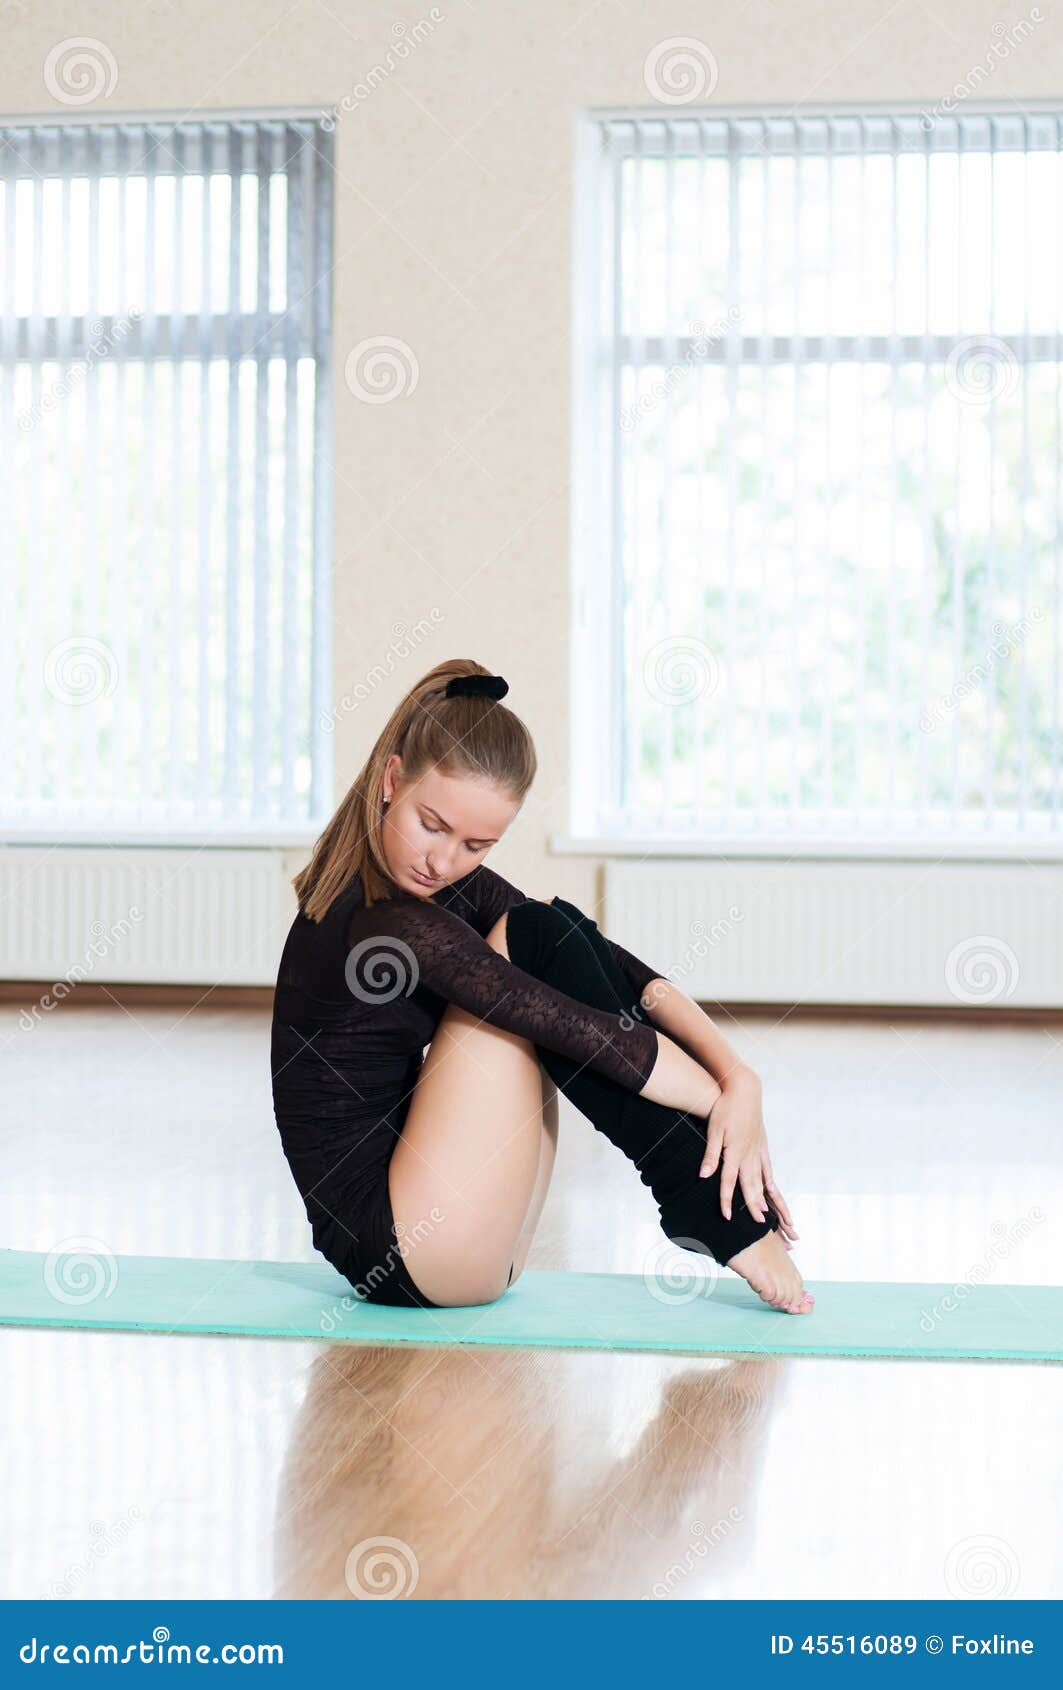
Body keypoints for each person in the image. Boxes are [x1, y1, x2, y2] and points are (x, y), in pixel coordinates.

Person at [270, 659, 813, 1316]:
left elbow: (612, 968)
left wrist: (739, 1079)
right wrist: (722, 1114)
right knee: (535, 945)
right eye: (431, 825)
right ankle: (703, 1204)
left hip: (466, 1240)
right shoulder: (378, 924)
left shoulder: (441, 890)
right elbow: (582, 1033)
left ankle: (698, 1201)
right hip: (398, 1249)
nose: (442, 862)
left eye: (475, 845)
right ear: (390, 780)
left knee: (549, 927)